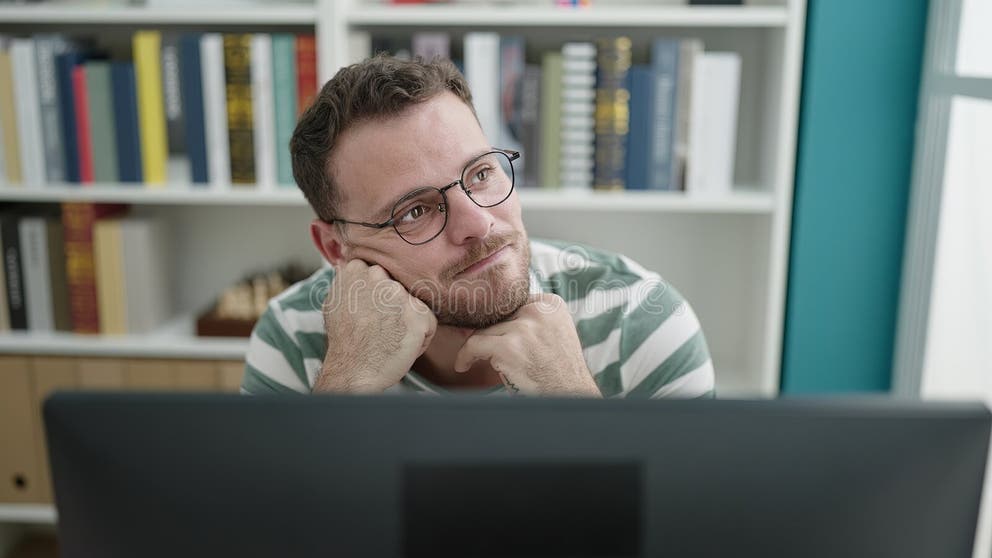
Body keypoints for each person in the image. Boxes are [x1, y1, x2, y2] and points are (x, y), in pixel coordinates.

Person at [242, 54, 714, 398]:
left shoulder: (644, 320)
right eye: (415, 210)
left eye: (481, 174)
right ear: (336, 247)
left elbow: (684, 535)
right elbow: (275, 535)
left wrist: (572, 401)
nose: (479, 222)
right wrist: (346, 387)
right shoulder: (291, 336)